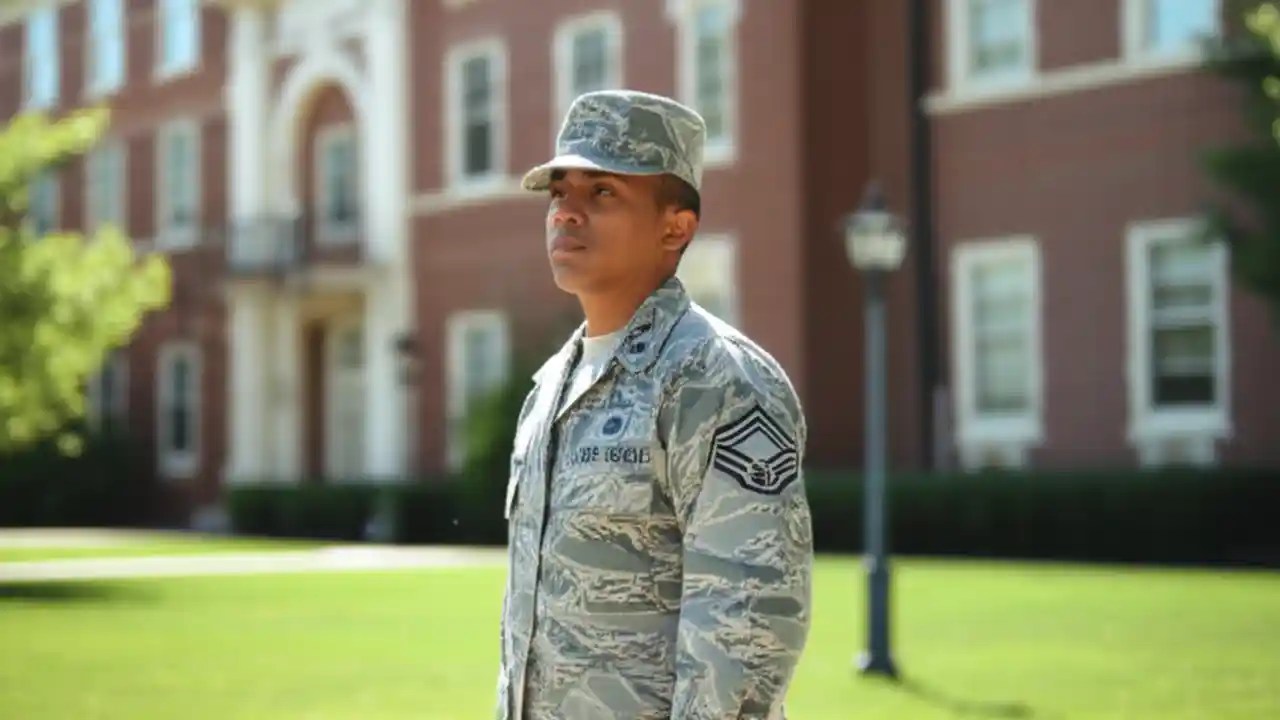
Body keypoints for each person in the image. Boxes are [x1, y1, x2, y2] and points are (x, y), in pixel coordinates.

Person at [496, 89, 813, 720]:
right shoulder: (552, 387)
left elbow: (746, 624)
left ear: (676, 226)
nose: (567, 213)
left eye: (603, 192)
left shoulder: (715, 378)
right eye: (559, 192)